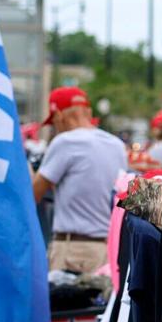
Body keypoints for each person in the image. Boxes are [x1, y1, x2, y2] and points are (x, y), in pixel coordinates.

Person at [33, 86, 127, 273]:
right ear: (88, 112)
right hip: (107, 251)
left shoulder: (65, 142)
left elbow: (33, 195)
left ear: (59, 115)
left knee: (63, 303)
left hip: (72, 250)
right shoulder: (117, 145)